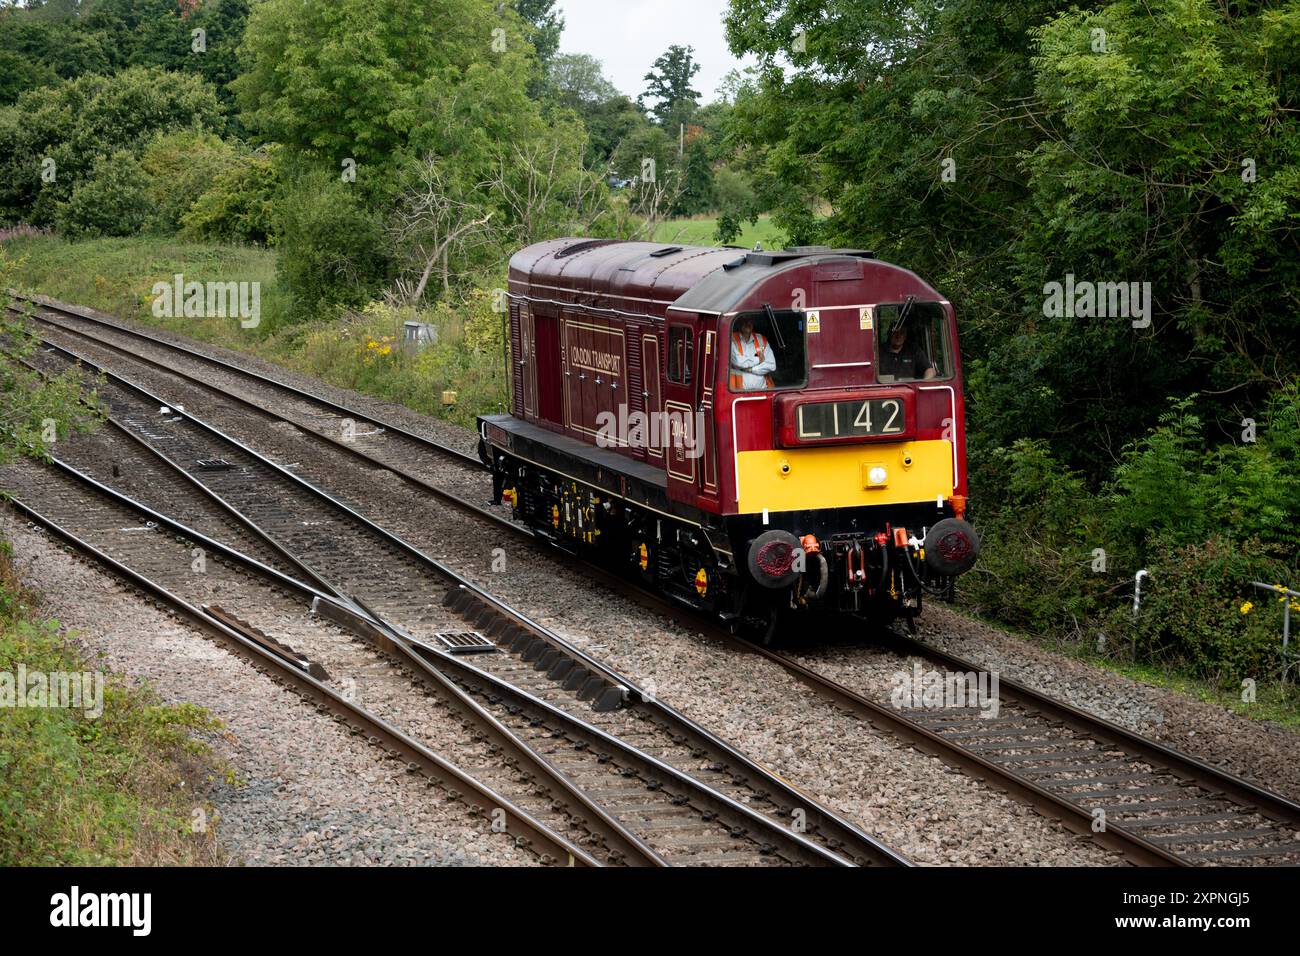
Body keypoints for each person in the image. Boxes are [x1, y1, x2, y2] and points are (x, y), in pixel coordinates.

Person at [730, 316, 777, 390]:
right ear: (739, 323)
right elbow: (738, 362)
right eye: (744, 321)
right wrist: (760, 360)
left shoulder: (761, 339)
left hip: (763, 390)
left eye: (750, 321)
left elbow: (772, 365)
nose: (747, 323)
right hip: (738, 393)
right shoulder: (731, 338)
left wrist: (750, 369)